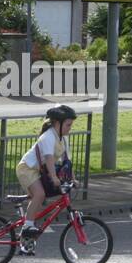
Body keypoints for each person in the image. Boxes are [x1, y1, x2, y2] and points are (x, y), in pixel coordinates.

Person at [15, 105, 76, 254]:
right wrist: (54, 177)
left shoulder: (63, 139)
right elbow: (49, 159)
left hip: (38, 171)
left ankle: (26, 242)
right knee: (40, 195)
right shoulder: (48, 136)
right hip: (26, 168)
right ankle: (28, 226)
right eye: (68, 125)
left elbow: (67, 161)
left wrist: (74, 179)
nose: (70, 128)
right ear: (57, 123)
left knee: (41, 202)